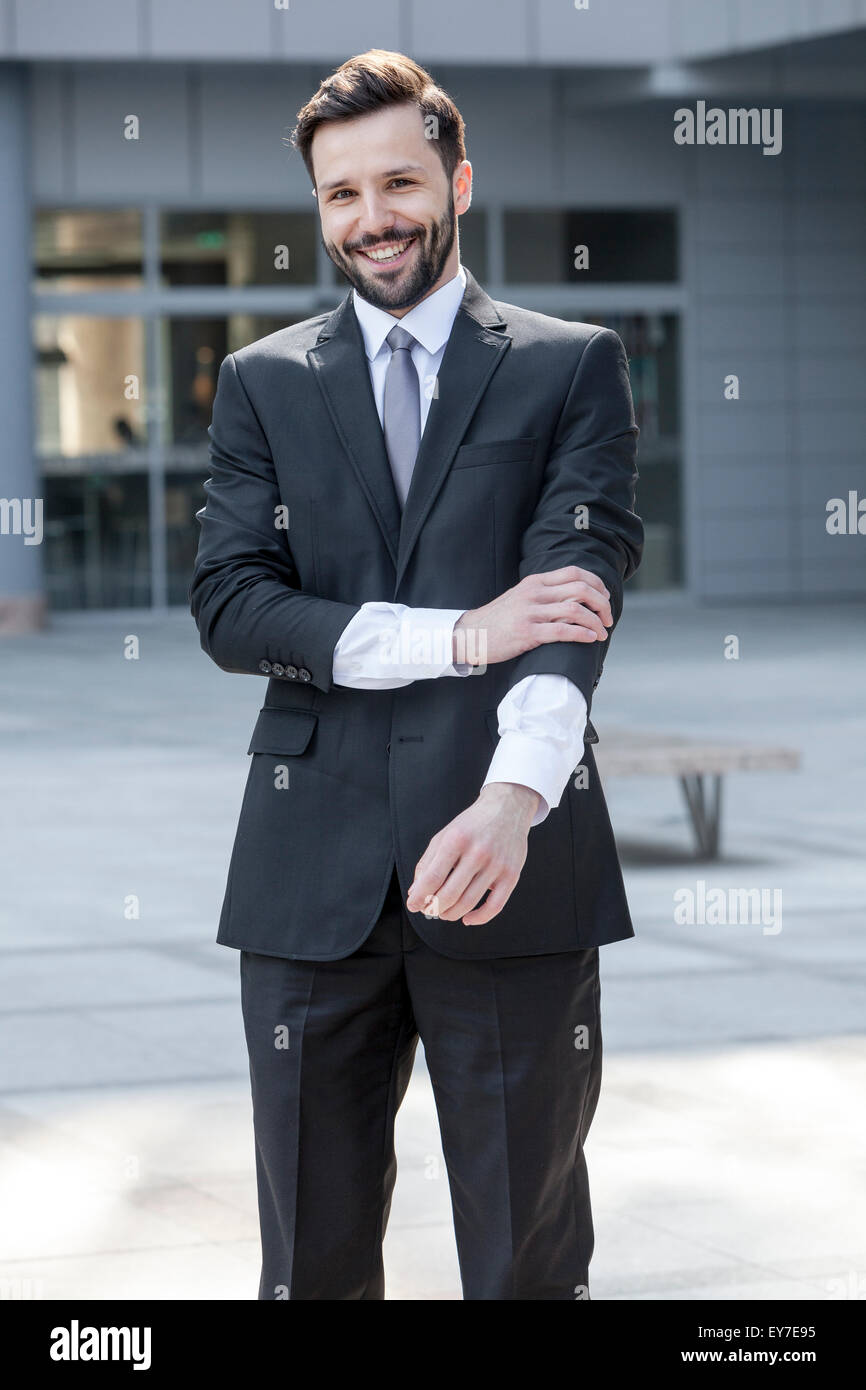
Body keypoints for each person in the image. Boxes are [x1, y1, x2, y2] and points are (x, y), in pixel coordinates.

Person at [189, 48, 643, 1301]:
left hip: (511, 864)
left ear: (456, 177)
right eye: (340, 194)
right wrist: (457, 633)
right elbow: (231, 606)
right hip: (307, 878)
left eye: (398, 181)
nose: (372, 218)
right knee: (311, 1264)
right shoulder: (262, 383)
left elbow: (573, 593)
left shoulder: (568, 364)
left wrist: (514, 800)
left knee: (524, 1261)